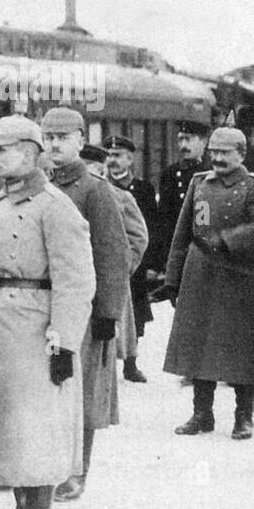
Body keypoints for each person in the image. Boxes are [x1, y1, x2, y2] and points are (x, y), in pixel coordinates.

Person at [0, 116, 95, 509]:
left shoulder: (54, 206)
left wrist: (64, 340)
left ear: (30, 152)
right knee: (6, 422)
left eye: (2, 149)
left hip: (35, 329)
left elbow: (76, 281)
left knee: (36, 423)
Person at [40, 109, 128, 503]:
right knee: (45, 387)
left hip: (86, 307)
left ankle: (77, 471)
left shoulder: (95, 190)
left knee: (83, 392)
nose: (55, 144)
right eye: (49, 136)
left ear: (80, 139)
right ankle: (44, 468)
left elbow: (113, 253)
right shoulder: (40, 183)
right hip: (46, 303)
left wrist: (108, 311)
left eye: (63, 137)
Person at [155, 127, 254, 440]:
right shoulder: (200, 183)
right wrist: (173, 278)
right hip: (200, 274)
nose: (218, 158)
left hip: (239, 275)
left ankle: (243, 415)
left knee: (240, 348)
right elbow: (182, 235)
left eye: (225, 152)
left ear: (241, 154)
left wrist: (227, 240)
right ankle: (202, 413)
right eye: (214, 152)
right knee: (198, 344)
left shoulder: (251, 186)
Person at [81, 145, 150, 388]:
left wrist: (123, 267)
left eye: (91, 168)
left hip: (110, 275)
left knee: (119, 322)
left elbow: (139, 237)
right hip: (79, 273)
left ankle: (128, 364)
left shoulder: (120, 196)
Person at [104, 135, 162, 382]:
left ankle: (131, 362)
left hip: (135, 261)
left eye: (118, 156)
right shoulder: (101, 186)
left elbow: (150, 227)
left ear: (130, 159)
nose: (112, 160)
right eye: (109, 155)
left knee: (135, 313)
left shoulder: (142, 189)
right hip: (111, 258)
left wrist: (152, 264)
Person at [153, 120, 211, 278]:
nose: (183, 145)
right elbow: (163, 219)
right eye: (180, 139)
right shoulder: (170, 174)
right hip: (177, 250)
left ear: (204, 142)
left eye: (189, 139)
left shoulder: (210, 173)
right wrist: (162, 260)